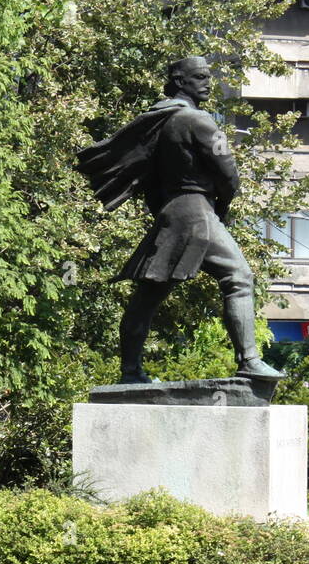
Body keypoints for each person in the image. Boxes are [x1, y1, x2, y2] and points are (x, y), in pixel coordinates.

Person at [76, 56, 285, 384]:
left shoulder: (157, 123)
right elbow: (229, 174)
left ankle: (130, 371)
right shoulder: (199, 122)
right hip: (196, 211)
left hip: (171, 214)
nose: (208, 83)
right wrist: (223, 207)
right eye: (200, 76)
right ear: (179, 80)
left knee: (147, 294)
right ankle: (249, 360)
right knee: (239, 277)